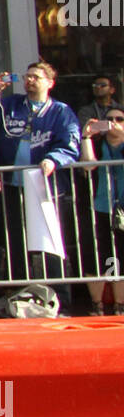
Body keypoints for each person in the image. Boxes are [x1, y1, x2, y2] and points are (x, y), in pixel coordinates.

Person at [0, 62, 81, 308]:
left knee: (50, 243)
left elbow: (70, 143)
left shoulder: (61, 112)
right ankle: (19, 295)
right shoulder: (12, 105)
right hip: (13, 186)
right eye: (27, 76)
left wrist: (53, 159)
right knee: (15, 242)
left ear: (50, 83)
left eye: (36, 77)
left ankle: (60, 298)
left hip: (47, 188)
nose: (29, 80)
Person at [79, 112, 124, 316]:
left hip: (122, 208)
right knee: (97, 255)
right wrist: (86, 137)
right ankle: (97, 305)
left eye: (120, 119)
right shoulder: (98, 144)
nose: (114, 123)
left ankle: (120, 305)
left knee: (120, 256)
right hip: (99, 207)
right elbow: (89, 165)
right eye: (110, 119)